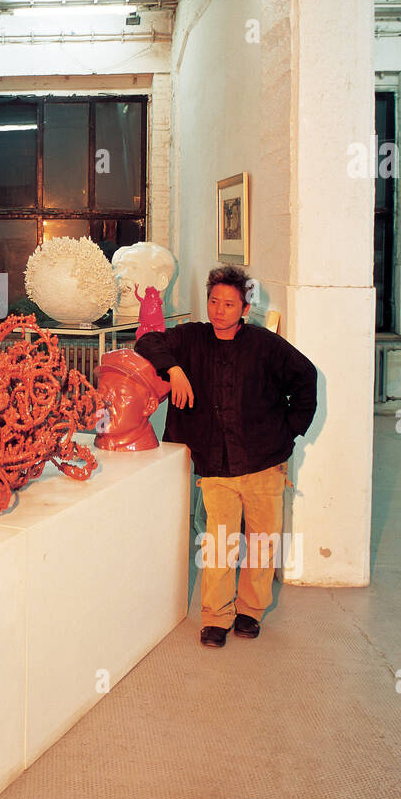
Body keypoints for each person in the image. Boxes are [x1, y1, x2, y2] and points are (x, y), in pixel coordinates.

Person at [134, 265, 317, 647]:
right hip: (216, 464)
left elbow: (305, 378)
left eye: (229, 304)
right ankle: (216, 616)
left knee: (264, 542)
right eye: (214, 301)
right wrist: (176, 368)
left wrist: (289, 431)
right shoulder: (192, 338)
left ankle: (250, 611)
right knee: (219, 543)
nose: (219, 310)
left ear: (245, 308)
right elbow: (148, 341)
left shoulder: (266, 345)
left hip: (264, 461)